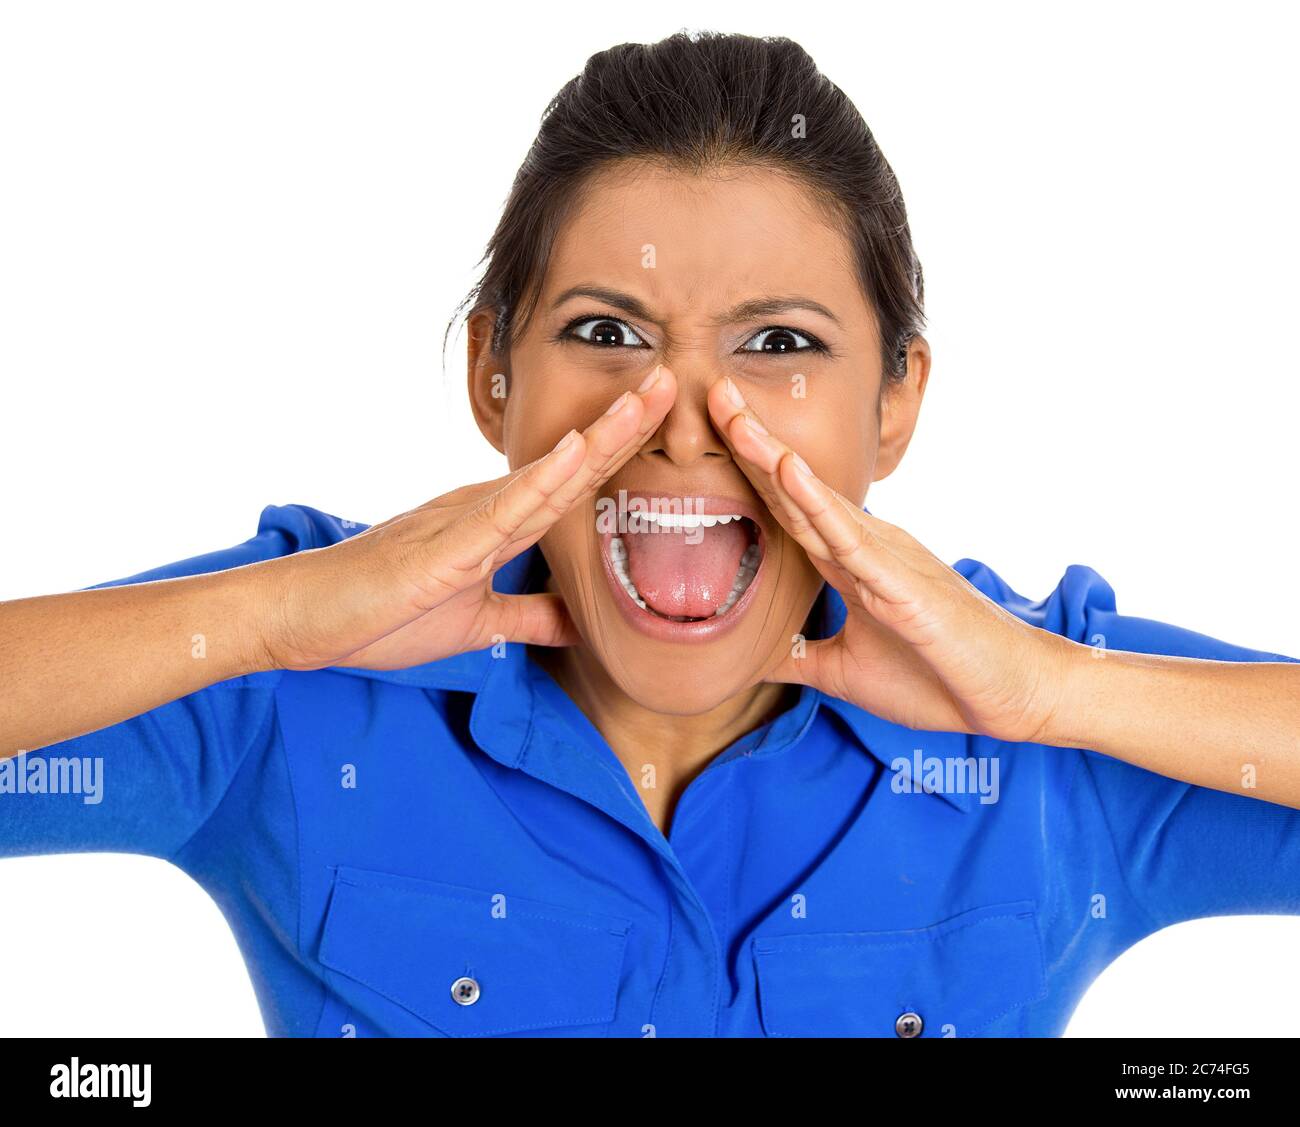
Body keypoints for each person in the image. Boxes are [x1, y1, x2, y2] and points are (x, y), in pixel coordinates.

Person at [4, 30, 1299, 1038]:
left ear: (896, 403)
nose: (681, 424)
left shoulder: (1049, 744)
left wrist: (1058, 693)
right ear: (490, 378)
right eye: (606, 334)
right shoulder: (286, 683)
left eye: (780, 345)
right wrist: (265, 621)